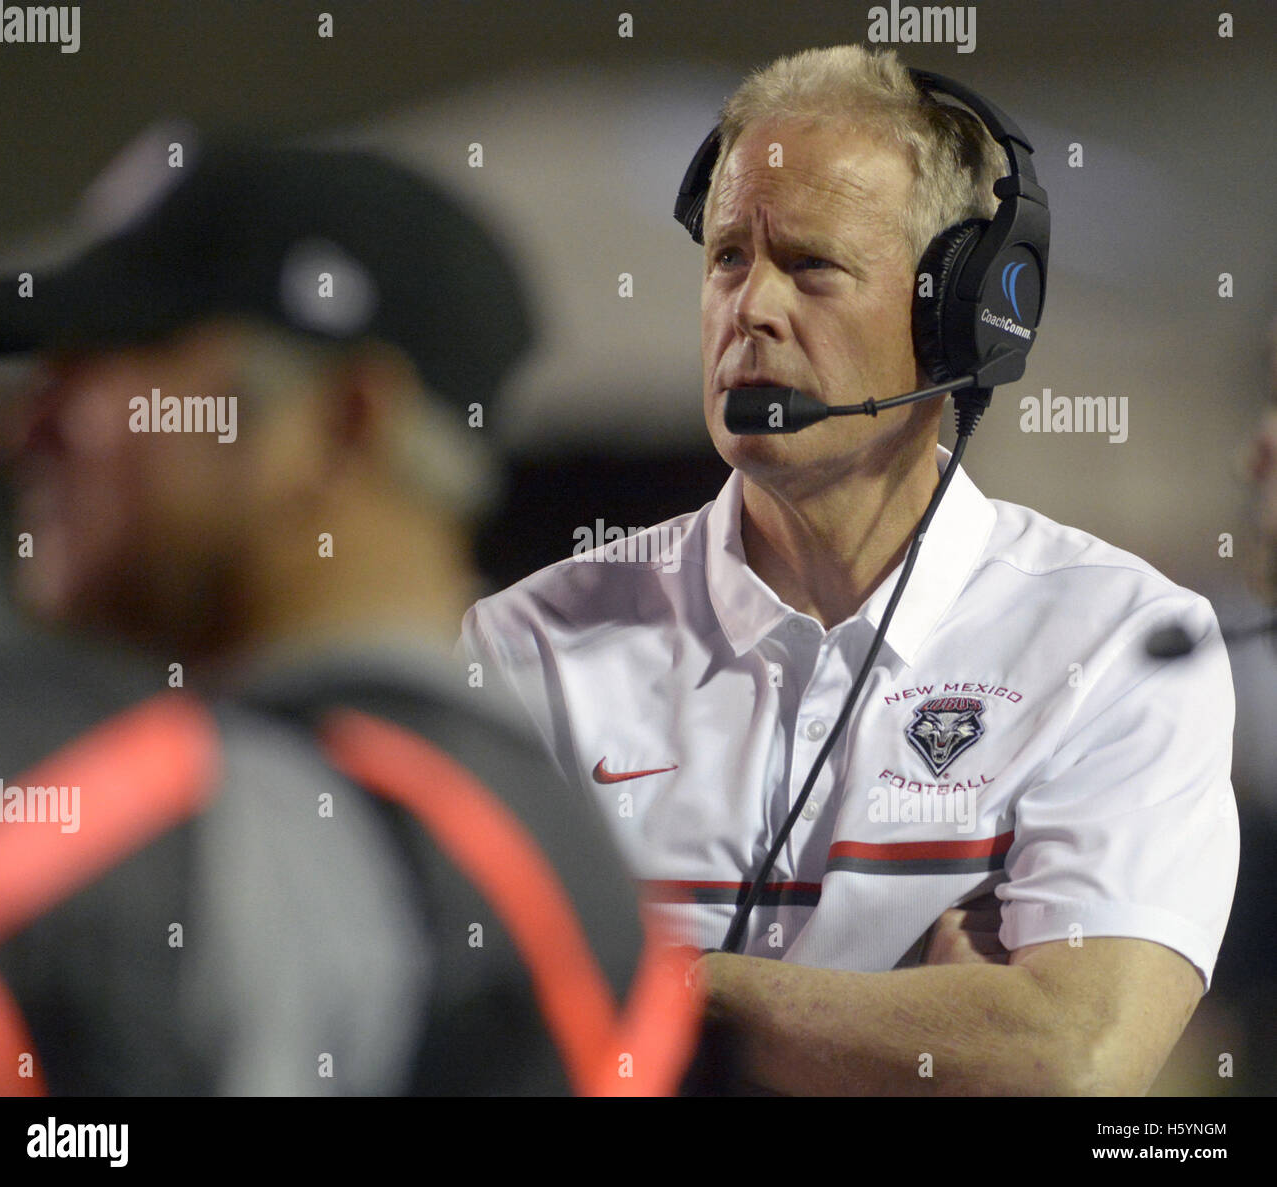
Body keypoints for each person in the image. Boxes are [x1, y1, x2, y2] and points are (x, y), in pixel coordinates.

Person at [461, 45, 1239, 1095]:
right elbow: (475, 1029)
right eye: (729, 258)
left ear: (962, 317)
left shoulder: (1121, 640)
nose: (751, 309)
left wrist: (651, 977)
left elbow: (1070, 1056)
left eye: (812, 266)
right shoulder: (525, 645)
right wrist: (916, 1017)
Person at [0, 126, 698, 1095]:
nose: (23, 424)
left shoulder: (381, 833)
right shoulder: (558, 840)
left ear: (341, 420)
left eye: (107, 358)